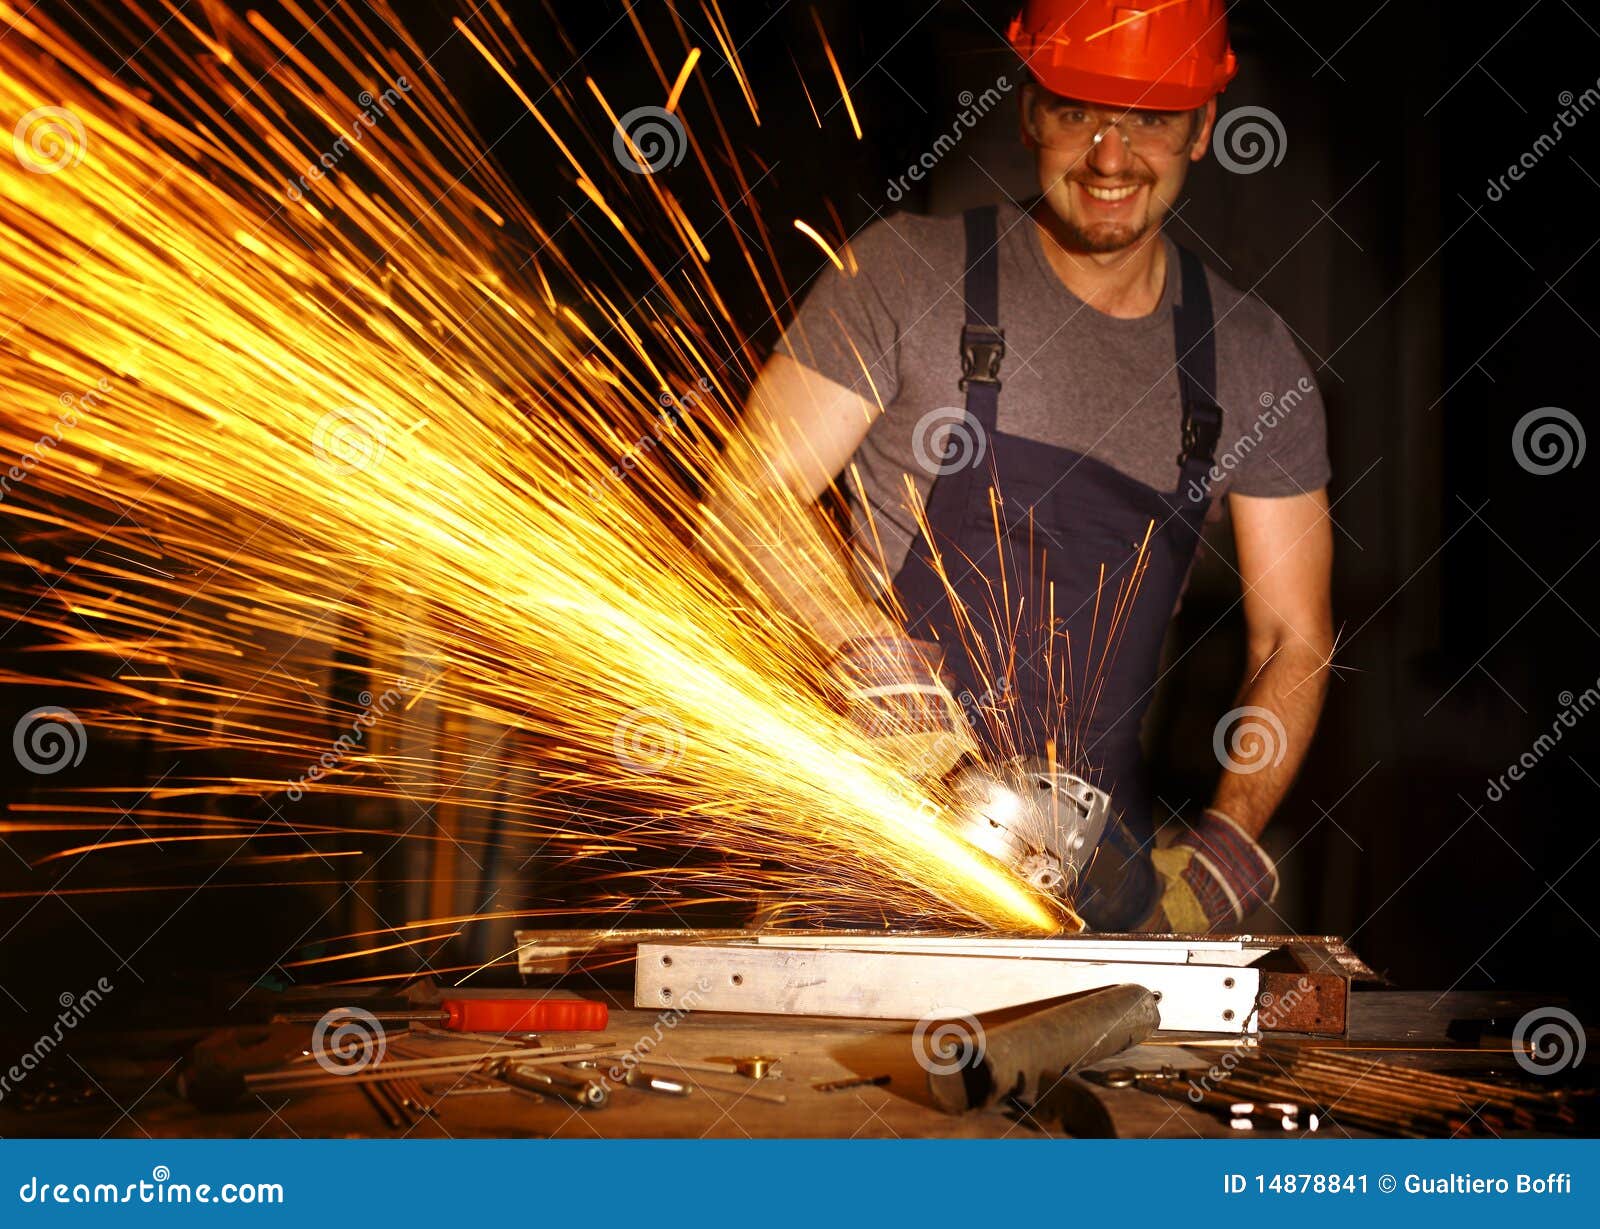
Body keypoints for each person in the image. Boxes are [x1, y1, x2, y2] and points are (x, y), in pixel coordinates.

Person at [720, 0, 1333, 932]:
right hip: (865, 872)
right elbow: (746, 501)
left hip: (1090, 905)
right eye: (1078, 109)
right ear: (1028, 109)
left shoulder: (1250, 360)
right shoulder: (905, 275)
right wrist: (869, 656)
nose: (1111, 158)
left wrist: (1228, 843)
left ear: (1206, 125)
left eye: (1152, 120)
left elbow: (1292, 635)